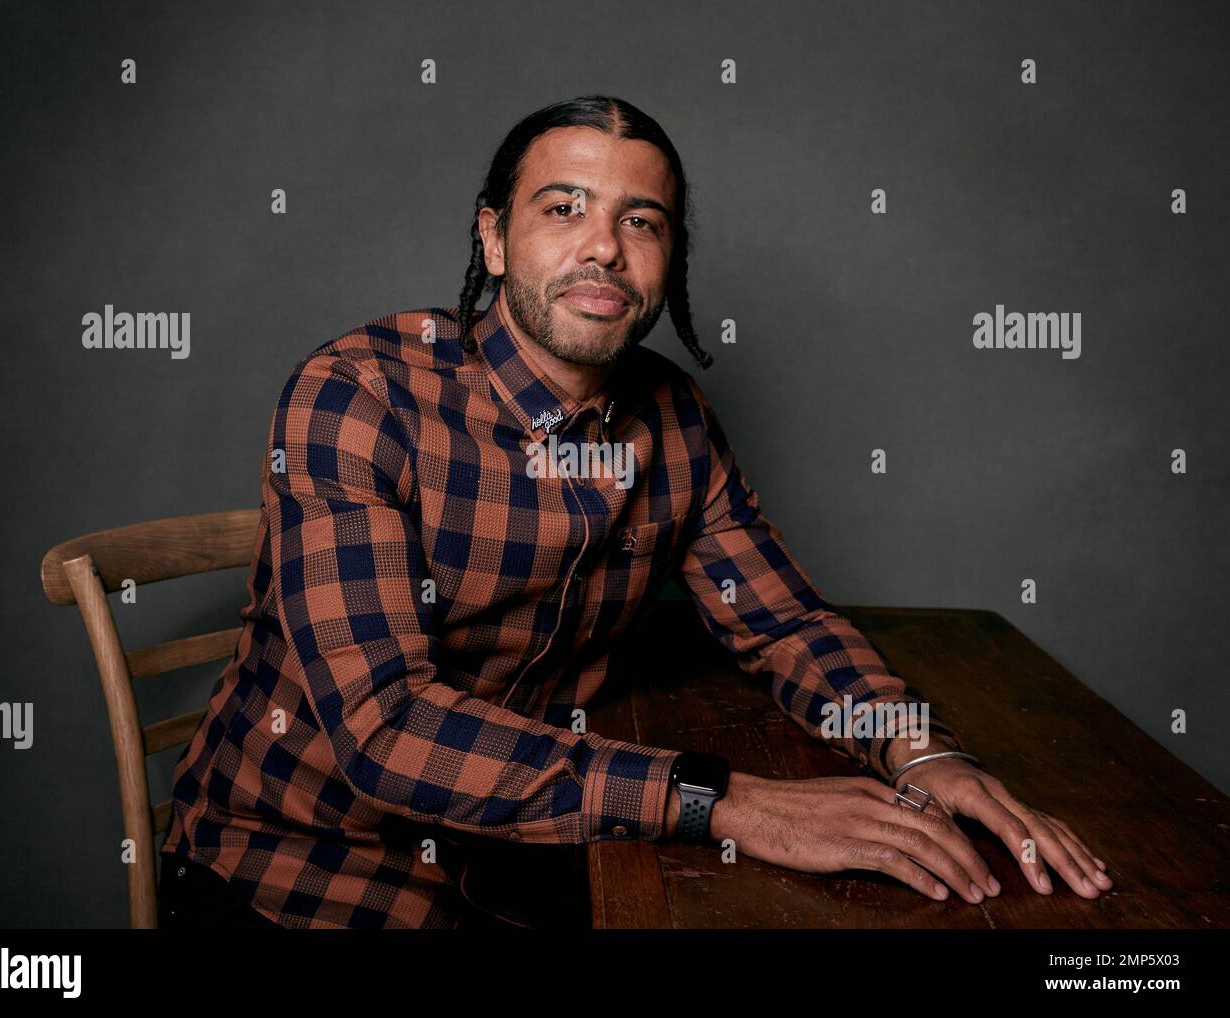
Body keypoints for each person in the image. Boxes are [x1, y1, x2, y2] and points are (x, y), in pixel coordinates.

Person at [159, 94, 1110, 929]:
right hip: (290, 859)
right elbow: (383, 727)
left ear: (667, 260)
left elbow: (782, 621)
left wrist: (919, 749)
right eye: (563, 208)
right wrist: (728, 802)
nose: (603, 246)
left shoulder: (674, 418)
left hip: (523, 842)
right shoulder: (359, 393)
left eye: (641, 221)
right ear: (492, 238)